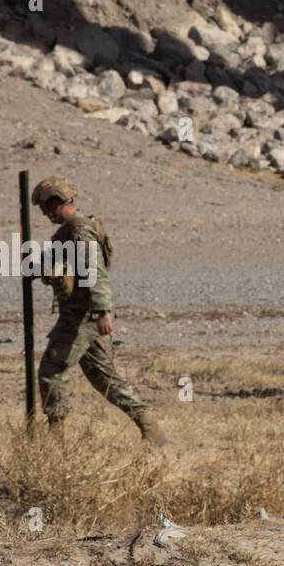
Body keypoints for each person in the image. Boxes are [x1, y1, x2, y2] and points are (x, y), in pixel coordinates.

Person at [30, 177, 166, 444]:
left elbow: (94, 272)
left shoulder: (79, 230)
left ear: (55, 203)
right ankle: (152, 428)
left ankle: (55, 439)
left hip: (81, 315)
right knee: (104, 378)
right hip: (85, 314)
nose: (45, 214)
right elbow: (55, 266)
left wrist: (104, 311)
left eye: (46, 208)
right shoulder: (70, 231)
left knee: (51, 369)